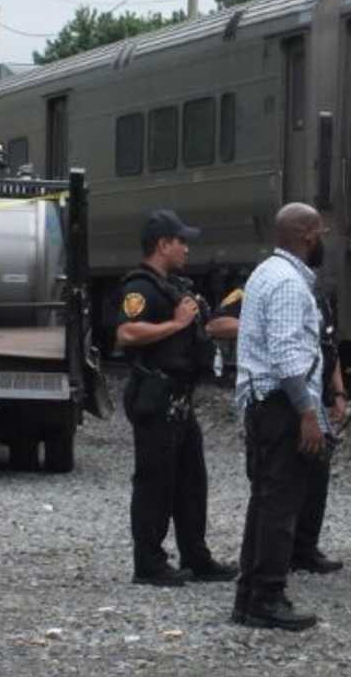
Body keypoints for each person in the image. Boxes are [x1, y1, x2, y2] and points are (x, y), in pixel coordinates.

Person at [116, 210, 236, 587]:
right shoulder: (140, 289)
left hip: (180, 399)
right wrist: (176, 325)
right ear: (162, 244)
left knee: (190, 481)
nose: (186, 247)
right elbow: (127, 334)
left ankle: (196, 556)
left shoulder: (174, 285)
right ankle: (148, 563)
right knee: (155, 482)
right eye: (180, 240)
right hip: (155, 395)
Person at [231, 203, 329, 631]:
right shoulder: (289, 283)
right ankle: (268, 596)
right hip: (281, 406)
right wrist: (308, 411)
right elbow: (289, 357)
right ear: (307, 235)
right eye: (320, 231)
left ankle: (249, 597)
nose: (324, 237)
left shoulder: (264, 273)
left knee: (265, 501)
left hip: (262, 403)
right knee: (281, 506)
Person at [212, 283, 347, 576]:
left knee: (316, 475)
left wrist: (339, 393)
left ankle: (304, 549)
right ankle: (268, 565)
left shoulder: (319, 295)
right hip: (281, 400)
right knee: (277, 485)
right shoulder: (263, 290)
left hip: (316, 395)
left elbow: (328, 349)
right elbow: (216, 324)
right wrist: (263, 326)